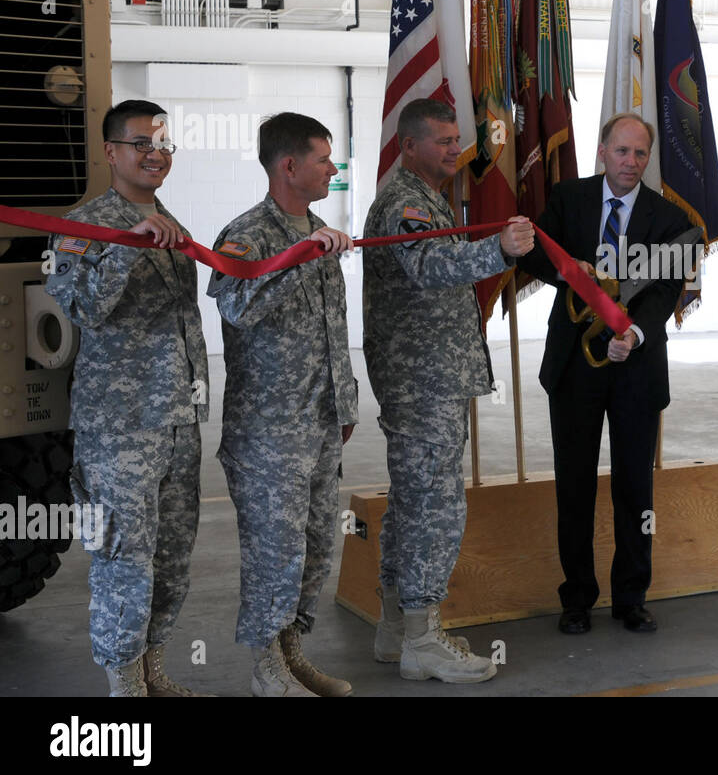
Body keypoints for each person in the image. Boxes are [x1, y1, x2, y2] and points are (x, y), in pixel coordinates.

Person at [363, 98, 534, 682]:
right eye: (440, 140)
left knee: (414, 504)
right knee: (433, 508)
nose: (452, 148)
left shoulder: (429, 199)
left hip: (429, 377)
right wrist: (498, 251)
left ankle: (399, 630)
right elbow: (430, 267)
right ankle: (422, 641)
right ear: (409, 145)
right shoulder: (407, 202)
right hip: (422, 381)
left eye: (455, 138)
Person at [45, 100, 209, 697]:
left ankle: (152, 667)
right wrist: (124, 247)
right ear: (110, 151)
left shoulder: (173, 224)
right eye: (141, 143)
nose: (155, 154)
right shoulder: (82, 227)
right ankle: (124, 686)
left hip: (176, 422)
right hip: (120, 430)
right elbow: (84, 309)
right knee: (124, 560)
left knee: (171, 558)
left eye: (163, 143)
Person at [516, 113, 693, 635]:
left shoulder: (669, 218)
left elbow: (666, 290)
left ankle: (631, 596)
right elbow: (531, 255)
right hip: (574, 366)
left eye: (640, 154)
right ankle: (576, 598)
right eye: (621, 152)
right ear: (602, 151)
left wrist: (632, 334)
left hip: (635, 368)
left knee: (635, 489)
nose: (630, 163)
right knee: (574, 486)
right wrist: (570, 271)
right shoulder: (569, 199)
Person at [208, 112, 358, 697]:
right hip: (269, 434)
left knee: (316, 547)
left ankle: (293, 652)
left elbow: (328, 330)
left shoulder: (320, 229)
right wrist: (298, 257)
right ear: (289, 165)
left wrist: (343, 405)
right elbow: (238, 307)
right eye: (323, 158)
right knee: (274, 553)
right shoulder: (246, 235)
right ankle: (266, 666)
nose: (332, 168)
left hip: (319, 424)